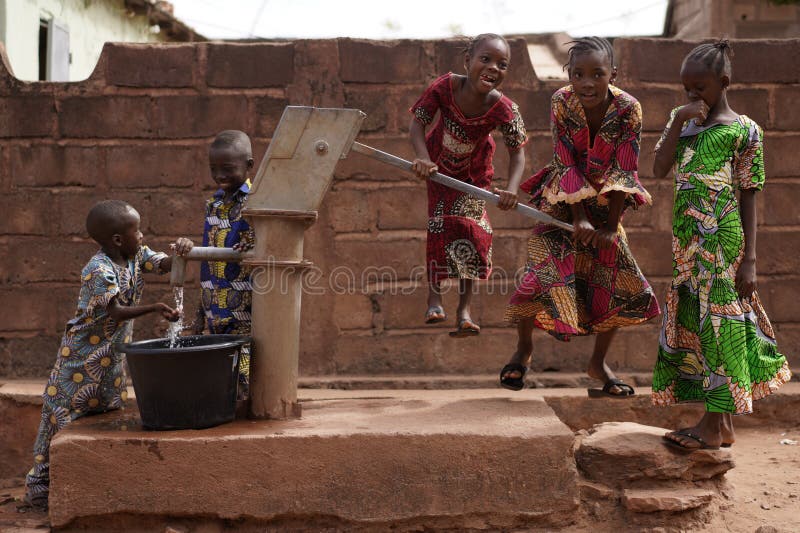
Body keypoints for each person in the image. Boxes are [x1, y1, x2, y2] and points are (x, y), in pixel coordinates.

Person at [500, 37, 660, 396]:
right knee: (538, 273)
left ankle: (598, 364)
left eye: (597, 74)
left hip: (608, 205)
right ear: (569, 75)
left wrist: (607, 226)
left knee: (614, 280)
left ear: (612, 74)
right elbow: (563, 157)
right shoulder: (561, 101)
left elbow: (625, 167)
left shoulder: (628, 109)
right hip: (561, 201)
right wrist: (577, 216)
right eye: (578, 74)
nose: (587, 82)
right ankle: (524, 350)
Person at [652, 41, 791, 450]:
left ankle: (712, 427)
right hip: (686, 244)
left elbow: (749, 194)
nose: (692, 96)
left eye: (700, 88)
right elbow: (659, 169)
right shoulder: (682, 123)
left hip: (722, 241)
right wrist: (679, 120)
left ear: (723, 82)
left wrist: (750, 258)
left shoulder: (745, 130)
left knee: (722, 326)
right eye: (686, 89)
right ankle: (723, 425)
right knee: (702, 324)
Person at [23, 200, 192, 509]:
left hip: (110, 355)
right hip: (81, 354)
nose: (142, 236)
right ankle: (39, 483)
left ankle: (84, 482)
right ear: (117, 239)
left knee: (105, 408)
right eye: (137, 230)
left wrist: (182, 249)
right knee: (59, 411)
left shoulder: (136, 255)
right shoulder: (98, 269)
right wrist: (155, 307)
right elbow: (114, 311)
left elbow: (164, 263)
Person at [409, 33, 528, 337]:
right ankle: (434, 299)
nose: (493, 68)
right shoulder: (444, 86)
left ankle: (464, 310)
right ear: (467, 61)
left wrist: (512, 189)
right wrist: (422, 159)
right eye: (485, 59)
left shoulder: (505, 109)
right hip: (438, 166)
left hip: (473, 174)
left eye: (502, 64)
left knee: (473, 231)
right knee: (440, 225)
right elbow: (418, 123)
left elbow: (518, 154)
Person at [191, 130, 256, 397]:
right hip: (212, 293)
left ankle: (240, 404)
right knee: (217, 351)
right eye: (214, 169)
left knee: (242, 352)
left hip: (241, 296)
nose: (220, 175)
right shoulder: (214, 203)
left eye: (228, 168)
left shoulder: (255, 201)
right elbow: (208, 249)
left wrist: (249, 243)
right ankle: (222, 404)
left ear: (249, 166)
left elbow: (261, 236)